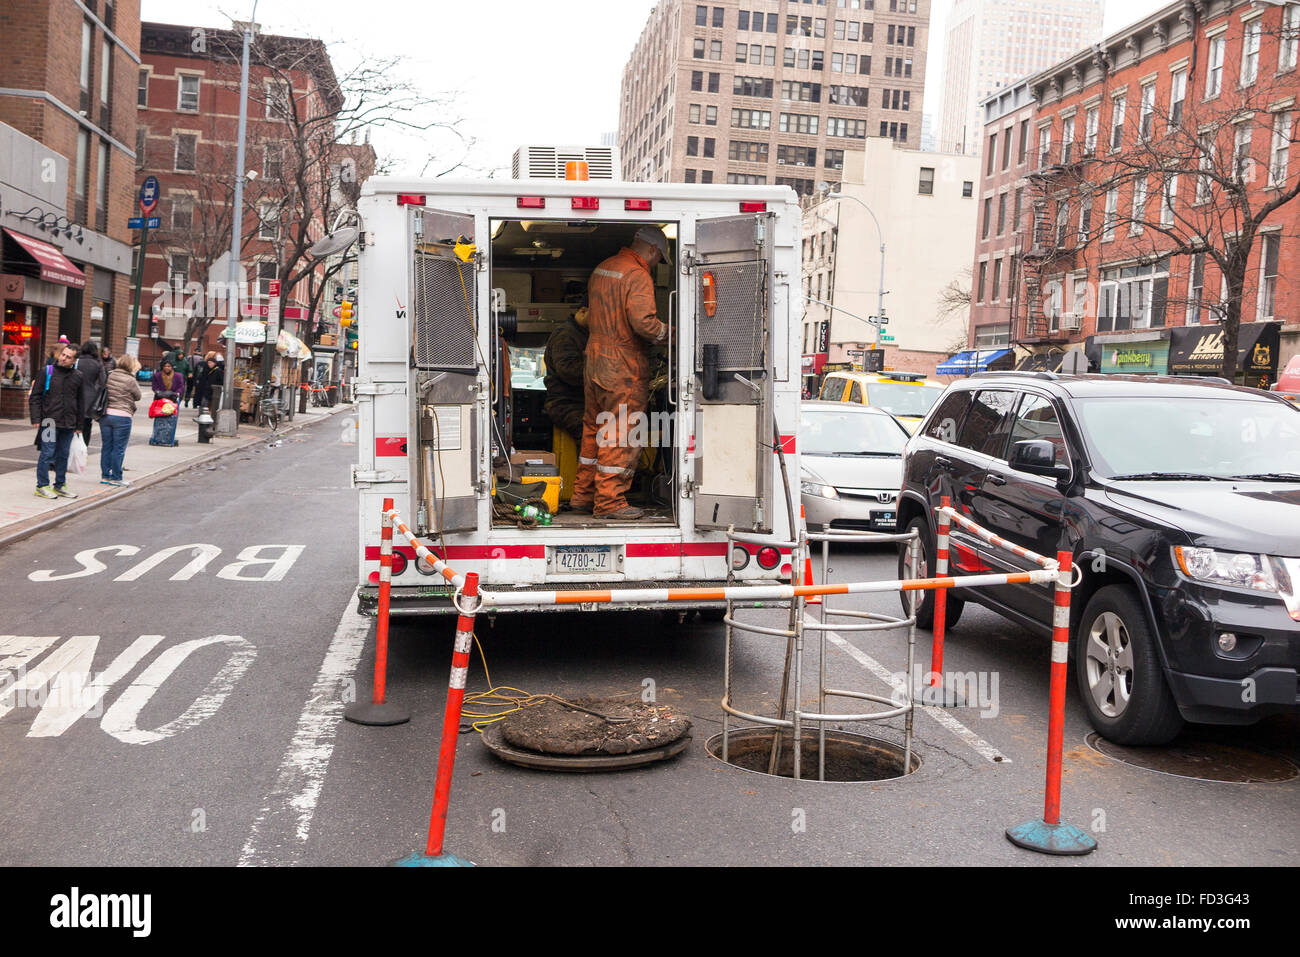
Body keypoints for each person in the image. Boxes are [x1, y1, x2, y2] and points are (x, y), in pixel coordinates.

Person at [571, 226, 671, 521]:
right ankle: (610, 502)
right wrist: (675, 335)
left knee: (593, 428)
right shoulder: (637, 274)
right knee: (620, 432)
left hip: (595, 360)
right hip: (622, 364)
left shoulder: (603, 268)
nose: (655, 265)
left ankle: (583, 495)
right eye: (658, 259)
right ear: (653, 250)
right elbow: (645, 325)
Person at [29, 342, 86, 499]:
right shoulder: (47, 372)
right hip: (49, 422)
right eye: (63, 354)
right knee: (47, 453)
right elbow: (35, 396)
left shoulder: (78, 377)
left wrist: (79, 424)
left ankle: (60, 485)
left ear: (74, 361)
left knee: (63, 455)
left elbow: (81, 401)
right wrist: (36, 418)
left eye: (68, 357)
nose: (64, 358)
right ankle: (42, 485)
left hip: (68, 423)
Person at [542, 305, 589, 441]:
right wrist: (603, 371)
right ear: (583, 311)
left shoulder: (585, 333)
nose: (602, 320)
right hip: (566, 403)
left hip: (584, 402)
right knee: (589, 433)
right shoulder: (566, 335)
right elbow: (568, 371)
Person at [99, 353, 141, 486]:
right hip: (122, 416)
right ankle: (116, 477)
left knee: (107, 446)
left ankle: (105, 475)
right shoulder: (130, 380)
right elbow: (138, 396)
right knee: (118, 448)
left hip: (106, 415)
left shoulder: (110, 375)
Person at [74, 340, 105, 446]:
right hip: (90, 398)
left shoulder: (76, 361)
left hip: (75, 395)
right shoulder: (98, 364)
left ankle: (71, 446)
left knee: (73, 423)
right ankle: (83, 447)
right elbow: (103, 383)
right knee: (87, 425)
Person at [149, 358, 184, 446]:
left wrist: (176, 393)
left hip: (172, 399)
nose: (167, 368)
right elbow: (154, 387)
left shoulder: (178, 376)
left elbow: (181, 386)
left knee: (171, 420)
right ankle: (157, 437)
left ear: (172, 367)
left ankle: (169, 438)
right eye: (165, 366)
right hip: (160, 399)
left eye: (169, 366)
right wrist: (159, 392)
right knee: (159, 419)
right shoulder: (157, 375)